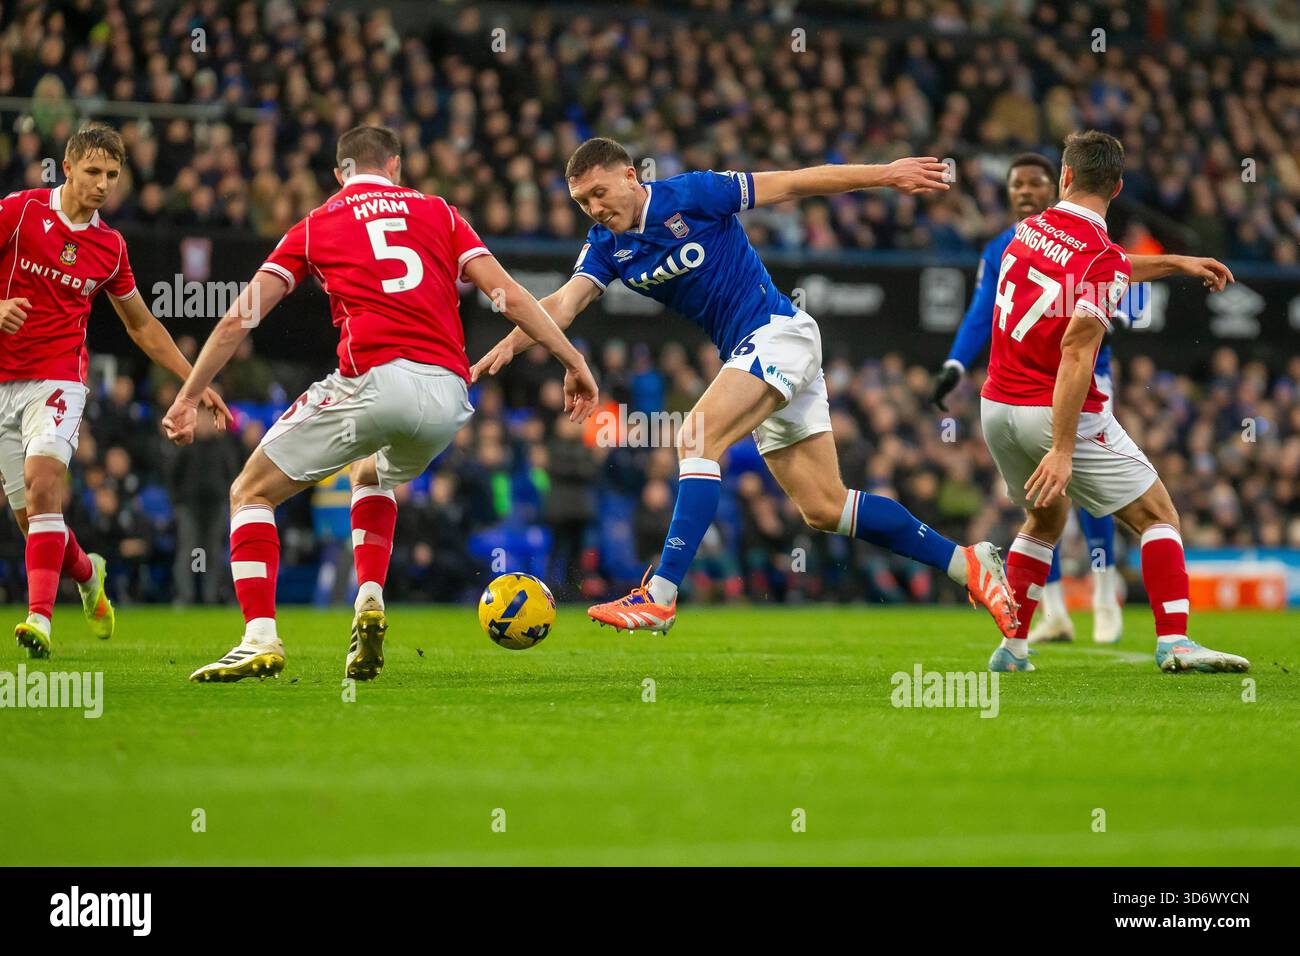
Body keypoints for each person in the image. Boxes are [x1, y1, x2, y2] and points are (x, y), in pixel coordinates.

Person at [474, 138, 1018, 637]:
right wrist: (516, 338)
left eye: (599, 192)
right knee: (826, 508)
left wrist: (887, 174)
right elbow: (564, 304)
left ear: (629, 175)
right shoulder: (605, 246)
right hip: (755, 352)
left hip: (778, 333)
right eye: (581, 202)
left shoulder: (693, 193)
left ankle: (659, 596)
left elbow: (796, 181)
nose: (594, 208)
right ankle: (965, 562)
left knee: (696, 437)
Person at [163, 125, 598, 683]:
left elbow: (239, 318)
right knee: (371, 473)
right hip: (447, 393)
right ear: (395, 165)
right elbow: (509, 295)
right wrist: (572, 360)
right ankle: (369, 597)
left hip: (372, 379)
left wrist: (188, 395)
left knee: (249, 491)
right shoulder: (439, 212)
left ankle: (258, 637)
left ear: (340, 173)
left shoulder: (318, 223)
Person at [930, 153, 1234, 645]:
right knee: (1158, 515)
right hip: (1050, 409)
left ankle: (1012, 647)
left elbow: (1107, 265)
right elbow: (1076, 349)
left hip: (995, 408)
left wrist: (1176, 262)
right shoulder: (1101, 256)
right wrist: (1063, 448)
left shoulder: (1024, 232)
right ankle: (1174, 640)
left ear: (1065, 178)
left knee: (1045, 518)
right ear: (1117, 189)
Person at [0, 123, 230, 657]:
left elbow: (142, 326)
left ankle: (39, 620)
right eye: (93, 172)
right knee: (30, 520)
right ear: (68, 165)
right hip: (4, 380)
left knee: (42, 486)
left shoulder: (109, 246)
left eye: (112, 175)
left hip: (59, 377)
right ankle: (87, 573)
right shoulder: (20, 212)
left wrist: (195, 381)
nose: (103, 184)